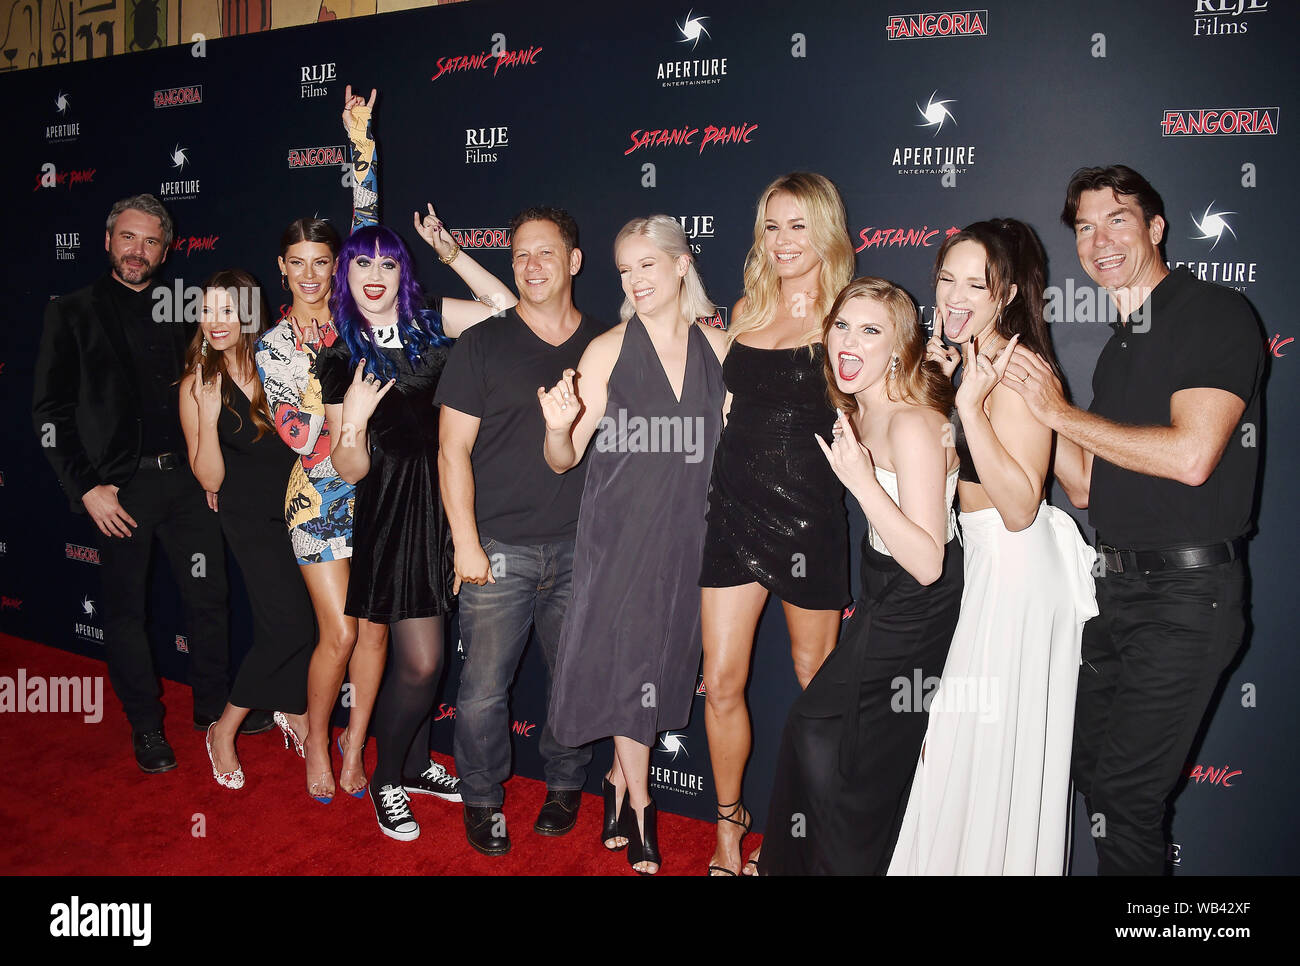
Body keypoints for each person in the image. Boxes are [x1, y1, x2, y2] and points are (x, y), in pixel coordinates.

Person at [1004, 165, 1263, 875]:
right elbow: (1085, 490)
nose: (1099, 239)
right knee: (1093, 775)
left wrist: (1059, 413)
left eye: (1117, 219)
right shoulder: (1121, 345)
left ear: (1156, 228)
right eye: (1084, 228)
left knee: (1122, 797)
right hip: (1114, 596)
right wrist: (1026, 405)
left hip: (1186, 598)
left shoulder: (1213, 313)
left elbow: (1191, 457)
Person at [257, 86, 506, 803]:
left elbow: (372, 236)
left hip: (384, 501)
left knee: (376, 641)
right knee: (339, 637)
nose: (314, 274)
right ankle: (314, 740)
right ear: (283, 269)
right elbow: (310, 445)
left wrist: (362, 148)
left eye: (322, 262)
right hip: (324, 499)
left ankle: (358, 747)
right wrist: (350, 421)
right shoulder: (278, 344)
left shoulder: (352, 318)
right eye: (297, 263)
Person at [887, 220, 1098, 875]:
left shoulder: (1014, 369)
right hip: (985, 568)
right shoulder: (973, 360)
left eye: (974, 283)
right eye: (946, 278)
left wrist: (971, 411)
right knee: (969, 750)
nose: (953, 294)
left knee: (984, 749)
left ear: (1005, 294)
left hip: (1016, 574)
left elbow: (1018, 507)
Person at [541, 215, 727, 874]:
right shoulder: (608, 349)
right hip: (617, 535)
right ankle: (643, 806)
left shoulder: (720, 347)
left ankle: (617, 786)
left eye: (647, 264)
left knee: (659, 665)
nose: (634, 280)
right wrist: (559, 427)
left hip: (688, 537)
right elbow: (563, 458)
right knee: (628, 665)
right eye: (624, 269)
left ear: (682, 265)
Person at [316, 218, 513, 841]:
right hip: (395, 517)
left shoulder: (431, 322)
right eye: (361, 265)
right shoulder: (339, 357)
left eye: (388, 265)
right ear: (345, 277)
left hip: (454, 505)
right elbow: (349, 470)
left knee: (427, 657)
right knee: (423, 663)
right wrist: (353, 420)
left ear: (404, 274)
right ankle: (386, 778)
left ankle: (421, 762)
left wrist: (453, 253)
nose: (375, 278)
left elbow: (507, 312)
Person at [761, 277, 962, 875]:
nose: (848, 342)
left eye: (870, 331)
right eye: (842, 326)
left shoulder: (910, 424)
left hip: (916, 606)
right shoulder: (861, 407)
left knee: (831, 741)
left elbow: (928, 563)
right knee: (833, 743)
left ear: (899, 347)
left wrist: (862, 484)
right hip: (882, 593)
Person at [32, 194, 237, 773]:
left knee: (209, 599)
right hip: (119, 494)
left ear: (166, 250)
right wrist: (86, 488)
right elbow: (49, 414)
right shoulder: (71, 311)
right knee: (125, 613)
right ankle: (146, 725)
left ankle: (212, 708)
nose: (137, 250)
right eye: (128, 237)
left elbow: (216, 387)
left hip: (189, 486)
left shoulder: (186, 307)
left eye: (150, 241)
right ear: (107, 241)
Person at [699, 172, 855, 875]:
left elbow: (880, 423)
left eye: (798, 225)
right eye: (772, 226)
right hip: (731, 510)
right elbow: (727, 416)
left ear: (824, 231)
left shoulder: (851, 316)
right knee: (722, 680)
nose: (784, 240)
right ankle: (729, 830)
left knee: (815, 682)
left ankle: (810, 835)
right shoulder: (746, 311)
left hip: (808, 518)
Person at [437, 207, 603, 855]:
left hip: (580, 547)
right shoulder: (483, 341)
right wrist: (465, 542)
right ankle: (481, 798)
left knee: (573, 677)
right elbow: (451, 450)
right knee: (481, 689)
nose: (531, 267)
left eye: (545, 254)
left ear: (574, 261)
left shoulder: (604, 345)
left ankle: (565, 783)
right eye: (520, 256)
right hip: (497, 547)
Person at [179, 271, 317, 788]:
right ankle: (224, 728)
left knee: (300, 619)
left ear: (248, 315)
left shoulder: (276, 362)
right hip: (247, 517)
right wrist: (210, 413)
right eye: (207, 310)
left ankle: (294, 710)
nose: (215, 322)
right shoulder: (198, 382)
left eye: (227, 310)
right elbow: (209, 477)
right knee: (287, 625)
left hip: (298, 507)